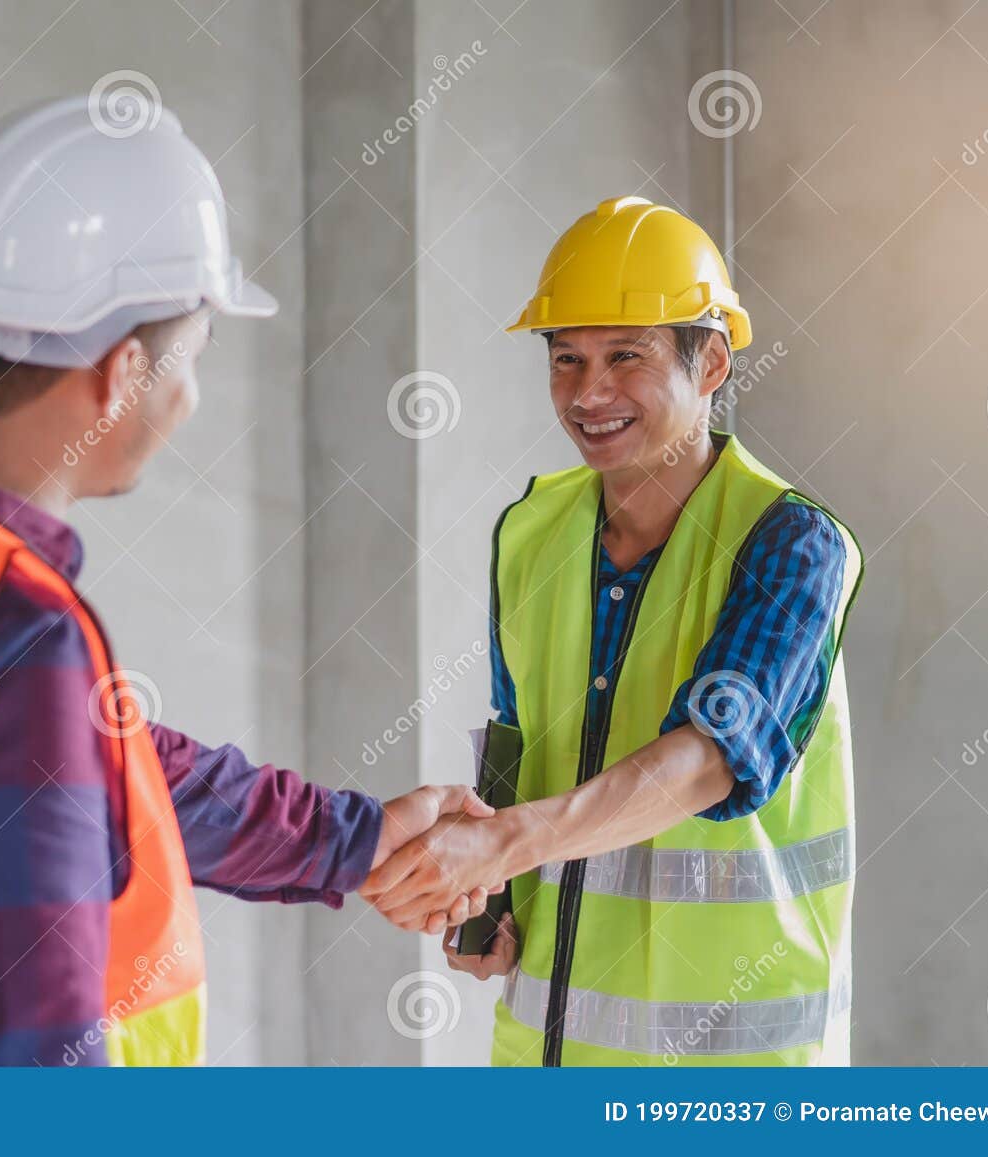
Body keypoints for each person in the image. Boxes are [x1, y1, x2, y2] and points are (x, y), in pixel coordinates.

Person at [0, 96, 494, 1067]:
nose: (189, 400)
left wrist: (354, 836)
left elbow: (97, 772)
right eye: (191, 361)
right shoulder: (10, 625)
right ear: (123, 371)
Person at [364, 196, 862, 1066]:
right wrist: (493, 897)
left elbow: (711, 757)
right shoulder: (531, 530)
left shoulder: (790, 543)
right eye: (566, 360)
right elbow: (517, 739)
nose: (587, 394)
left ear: (710, 363)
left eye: (624, 357)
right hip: (541, 1055)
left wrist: (502, 841)